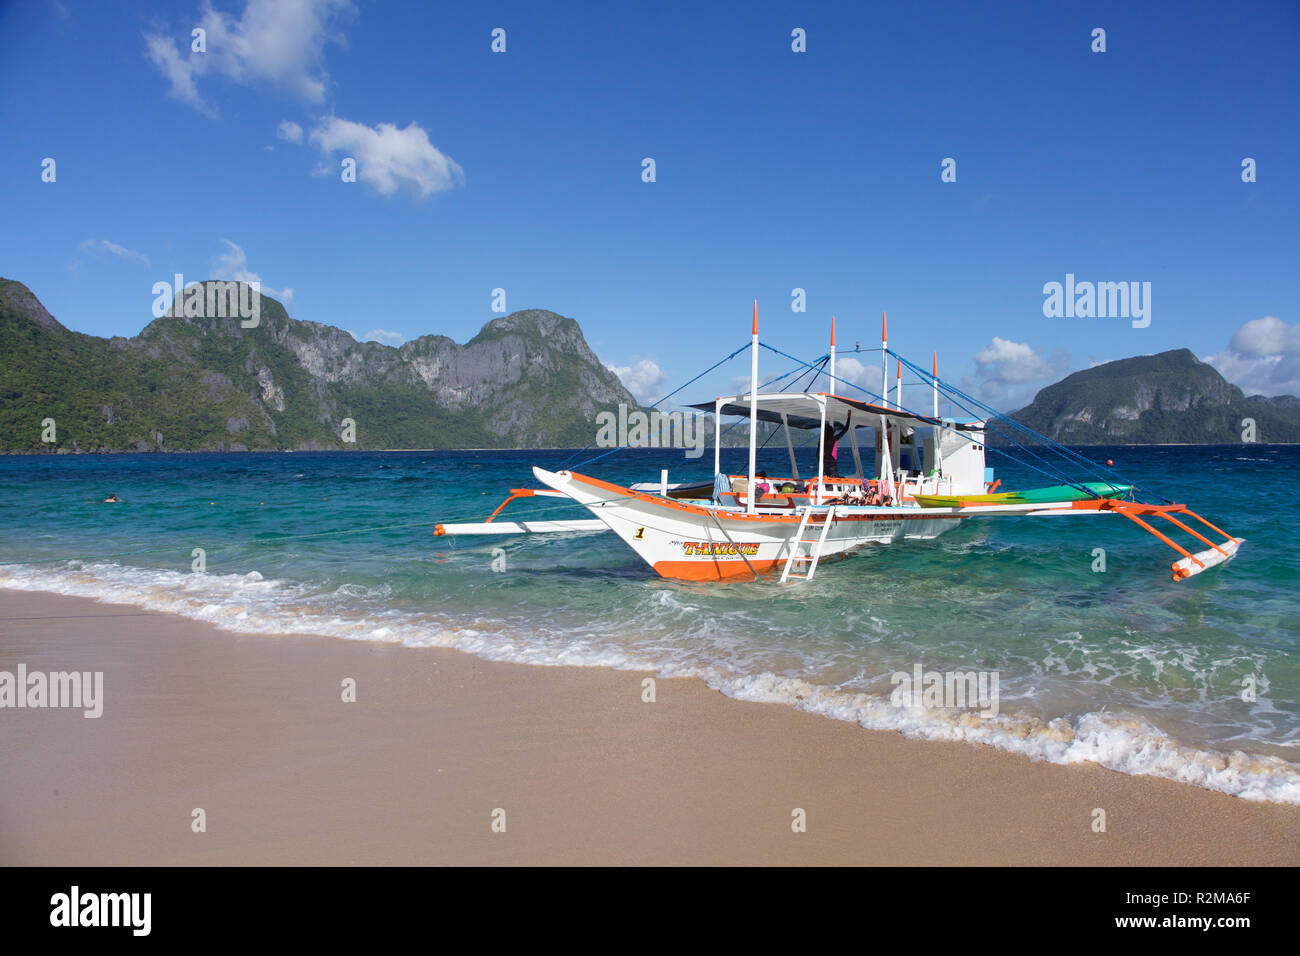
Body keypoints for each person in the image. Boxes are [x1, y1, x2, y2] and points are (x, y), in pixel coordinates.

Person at [820, 413, 852, 477]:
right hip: (831, 462)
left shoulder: (823, 440)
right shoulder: (833, 439)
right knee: (834, 478)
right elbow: (845, 430)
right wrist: (849, 417)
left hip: (824, 462)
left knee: (826, 479)